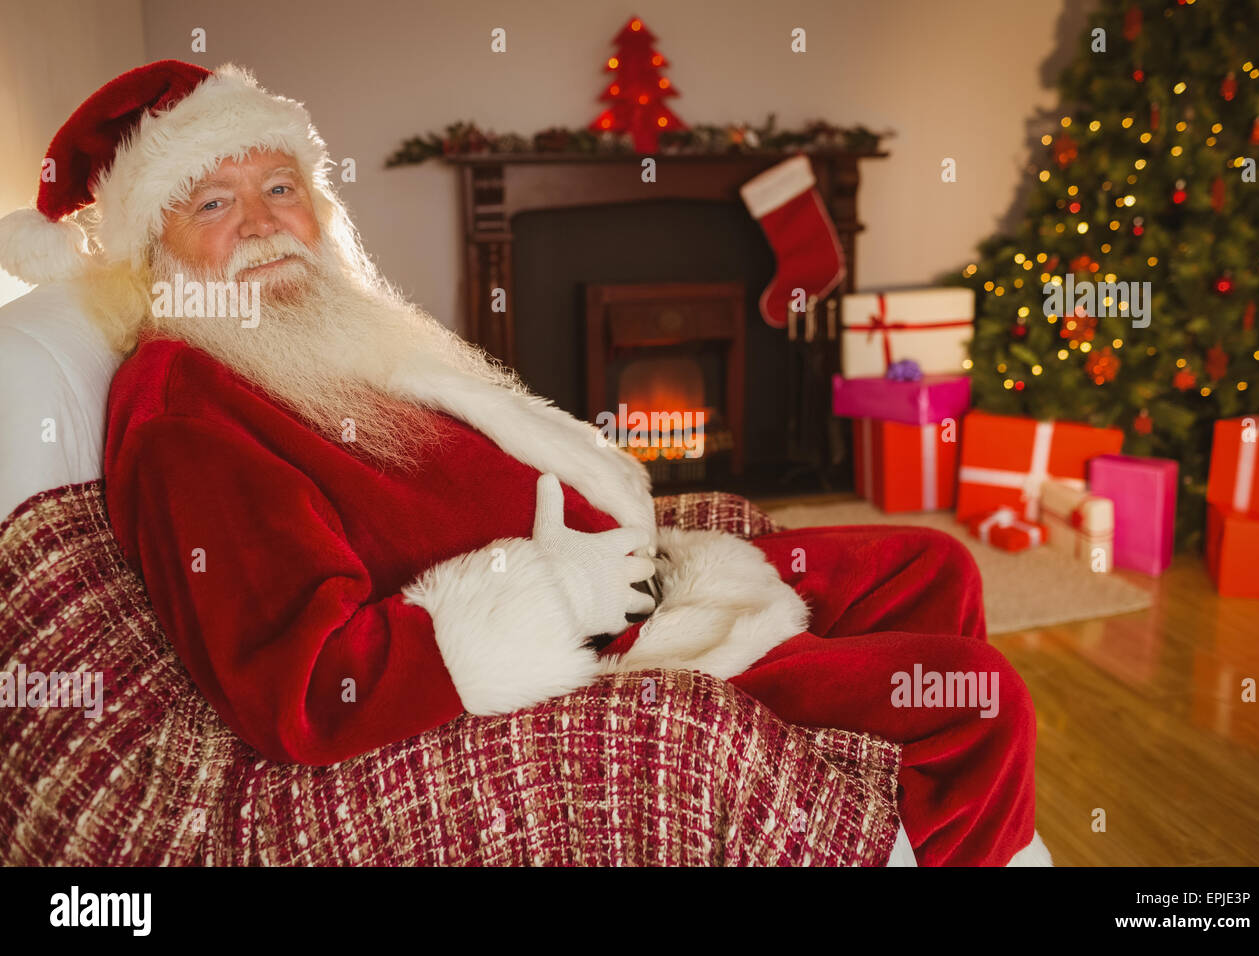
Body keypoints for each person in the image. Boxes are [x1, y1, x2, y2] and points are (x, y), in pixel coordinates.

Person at [0, 59, 1049, 866]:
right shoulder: (189, 405)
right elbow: (307, 687)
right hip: (598, 653)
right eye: (213, 202)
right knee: (978, 701)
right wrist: (549, 593)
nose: (268, 223)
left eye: (281, 185)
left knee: (936, 566)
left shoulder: (315, 342)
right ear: (154, 253)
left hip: (639, 581)